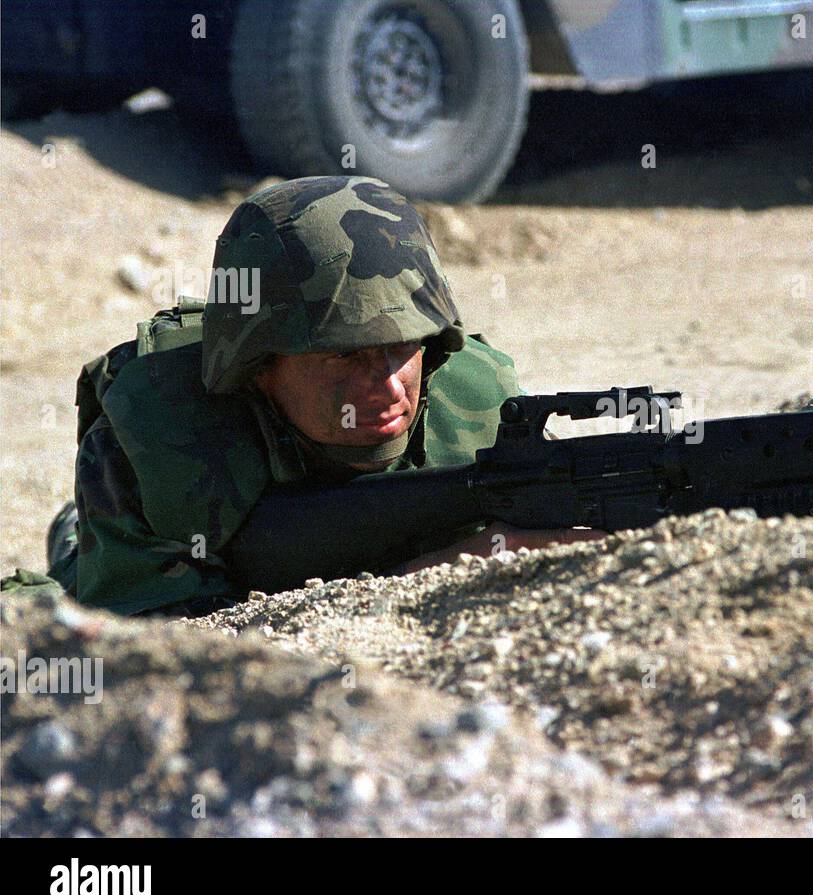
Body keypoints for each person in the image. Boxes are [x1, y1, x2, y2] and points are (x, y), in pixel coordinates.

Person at [5, 175, 593, 617]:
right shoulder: (158, 432)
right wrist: (438, 570)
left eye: (402, 348)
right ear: (260, 367)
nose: (388, 385)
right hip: (143, 559)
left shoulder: (480, 403)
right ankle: (77, 534)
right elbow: (169, 649)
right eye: (345, 355)